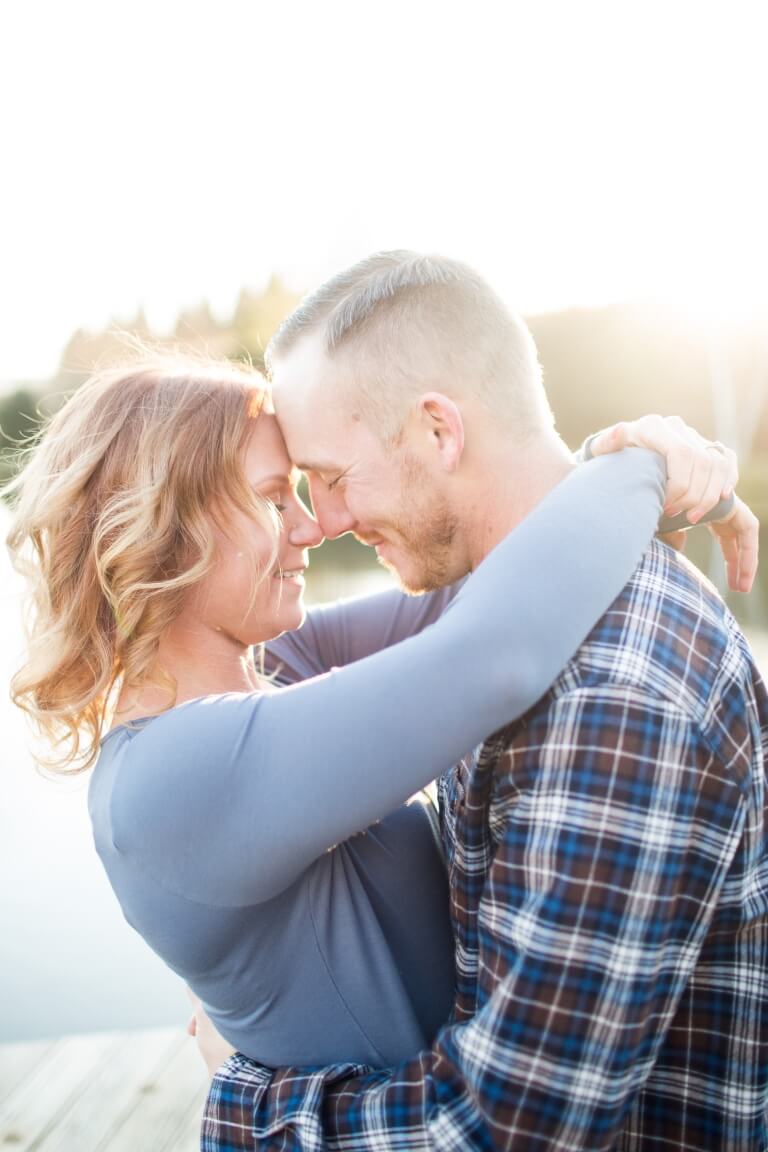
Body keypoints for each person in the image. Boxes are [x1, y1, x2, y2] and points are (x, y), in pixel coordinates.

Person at [7, 345, 735, 1073]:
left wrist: (615, 456)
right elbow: (496, 654)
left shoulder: (273, 671)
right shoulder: (171, 778)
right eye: (272, 498)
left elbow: (493, 575)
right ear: (168, 528)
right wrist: (640, 468)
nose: (308, 526)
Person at [193, 252, 767, 1152]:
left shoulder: (611, 696)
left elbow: (505, 1132)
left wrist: (246, 1094)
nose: (326, 519)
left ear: (437, 432)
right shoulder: (499, 602)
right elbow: (260, 668)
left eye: (333, 476)